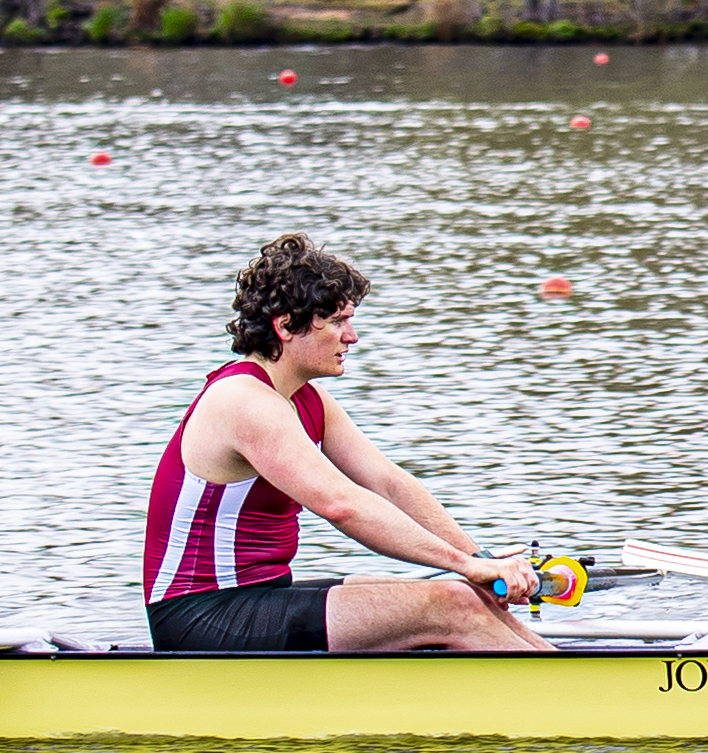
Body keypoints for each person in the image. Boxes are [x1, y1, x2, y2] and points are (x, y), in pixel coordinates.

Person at [143, 233, 554, 653]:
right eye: (338, 321)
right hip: (201, 616)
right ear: (285, 325)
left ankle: (565, 679)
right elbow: (342, 504)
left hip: (260, 597)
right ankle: (571, 703)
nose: (352, 337)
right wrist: (466, 566)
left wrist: (479, 560)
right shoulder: (244, 402)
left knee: (474, 596)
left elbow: (388, 483)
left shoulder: (308, 398)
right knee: (450, 603)